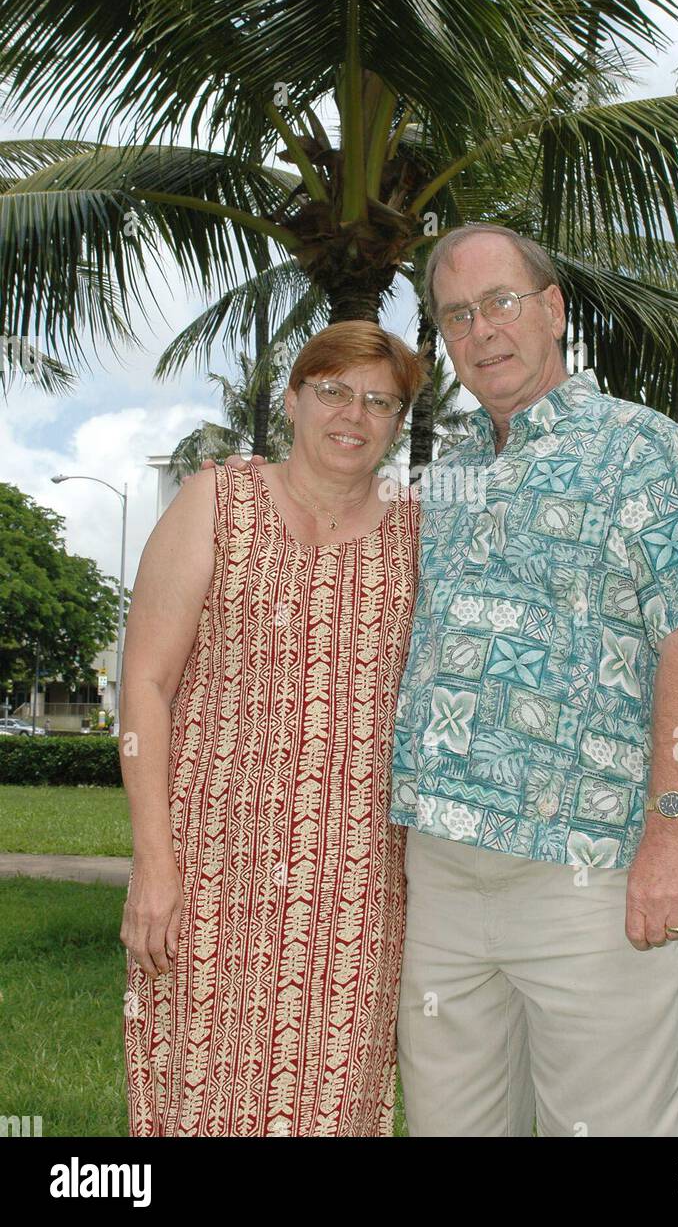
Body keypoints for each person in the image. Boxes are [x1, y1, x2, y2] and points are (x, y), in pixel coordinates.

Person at [390, 223, 678, 1137]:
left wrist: (673, 834)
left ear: (552, 310)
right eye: (457, 314)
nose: (483, 329)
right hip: (444, 878)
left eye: (501, 302)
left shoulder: (645, 451)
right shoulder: (446, 473)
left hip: (590, 877)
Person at [119, 321, 427, 1137]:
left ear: (398, 422)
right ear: (292, 399)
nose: (352, 415)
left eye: (379, 401)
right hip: (208, 874)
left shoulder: (421, 535)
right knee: (196, 1098)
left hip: (358, 891)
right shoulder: (215, 502)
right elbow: (144, 686)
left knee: (333, 1104)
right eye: (332, 391)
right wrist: (153, 862)